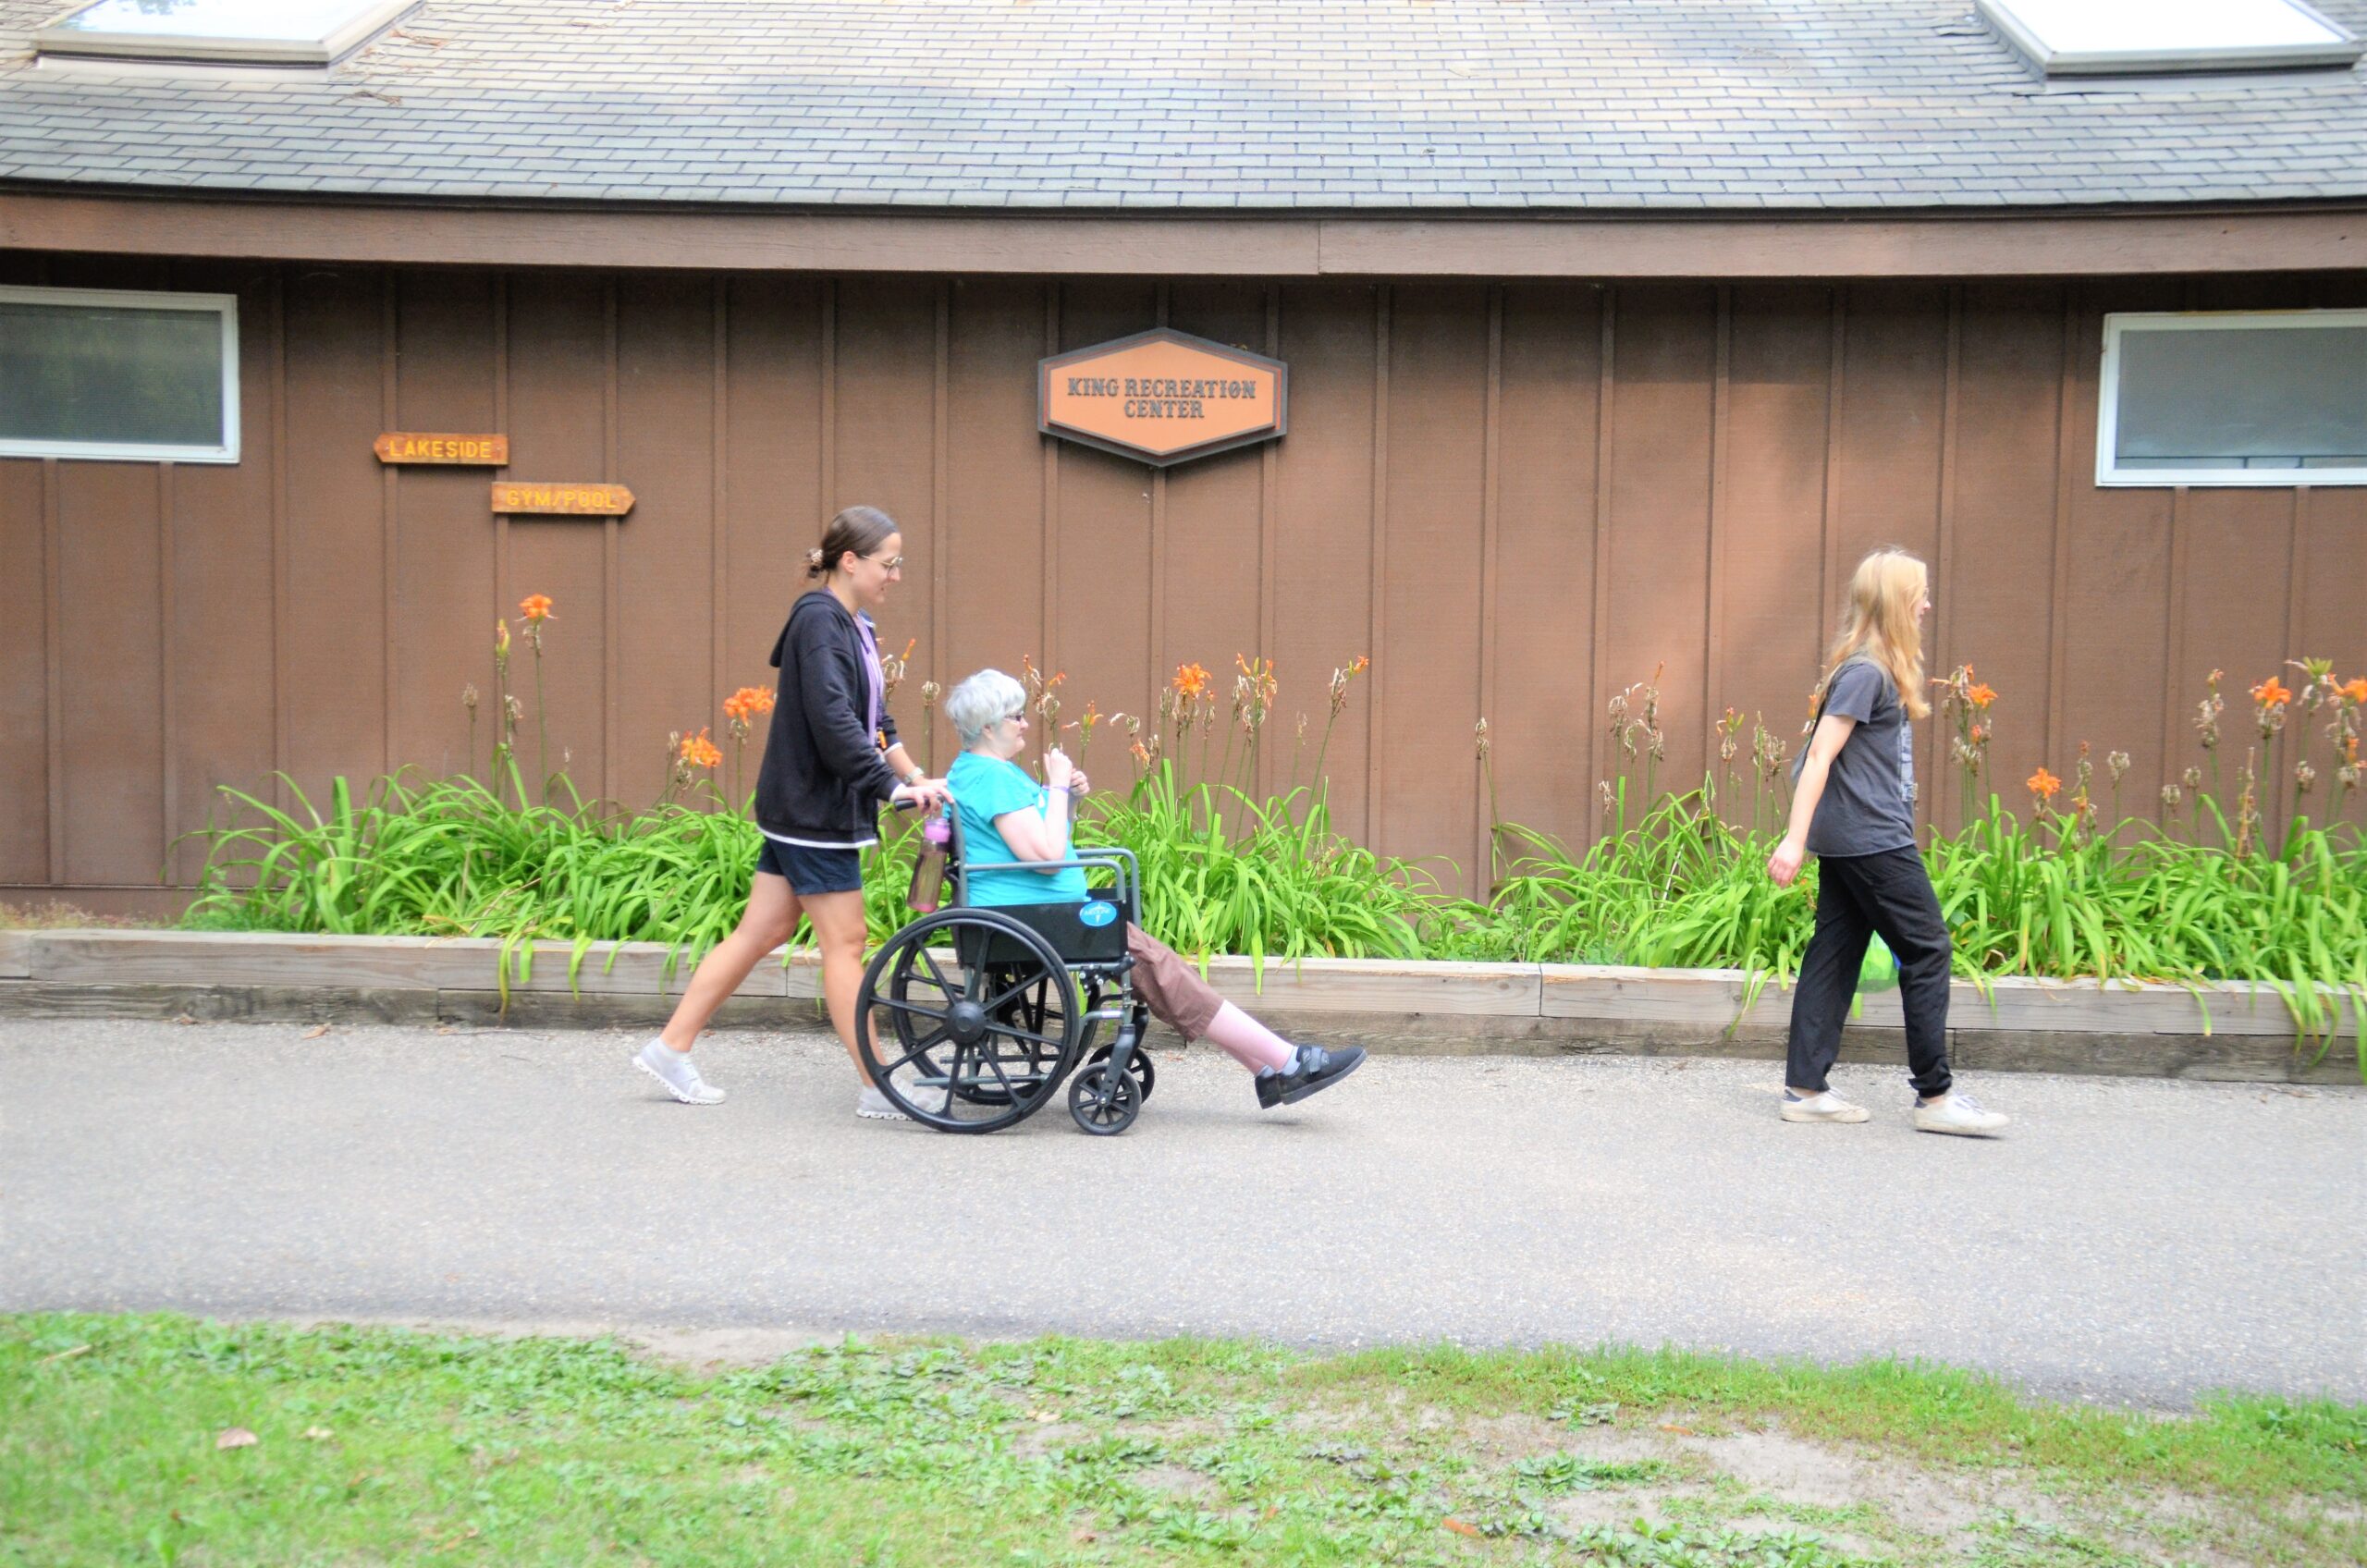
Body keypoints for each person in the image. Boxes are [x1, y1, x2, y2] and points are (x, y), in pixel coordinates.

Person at [632, 506, 950, 1117]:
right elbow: (833, 724)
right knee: (846, 943)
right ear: (850, 560)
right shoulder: (819, 623)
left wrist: (912, 775)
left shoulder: (856, 627)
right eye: (890, 564)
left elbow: (875, 721)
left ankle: (670, 1048)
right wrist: (887, 789)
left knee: (764, 929)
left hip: (801, 806)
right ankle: (876, 1085)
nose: (897, 575)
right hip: (814, 810)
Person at [941, 668, 1365, 1109]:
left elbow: (1048, 843)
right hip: (1033, 918)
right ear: (988, 727)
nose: (1026, 723)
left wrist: (1066, 800)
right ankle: (1286, 1062)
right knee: (1160, 967)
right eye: (1016, 716)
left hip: (1042, 912)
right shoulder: (992, 778)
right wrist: (1057, 785)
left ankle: (1269, 1068)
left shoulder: (986, 772)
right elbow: (1048, 861)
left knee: (1163, 967)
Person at [1766, 547, 2007, 1136]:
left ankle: (1805, 1090)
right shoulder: (1866, 673)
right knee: (1928, 949)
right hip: (1871, 840)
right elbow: (1819, 755)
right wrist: (1794, 840)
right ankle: (1935, 1097)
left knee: (1836, 951)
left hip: (1856, 838)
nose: (1928, 604)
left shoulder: (1872, 671)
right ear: (1898, 603)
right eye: (1919, 594)